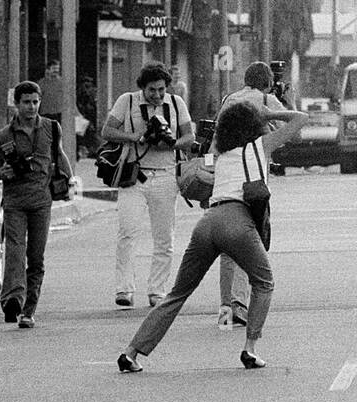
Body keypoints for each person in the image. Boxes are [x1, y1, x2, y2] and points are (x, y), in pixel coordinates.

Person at [117, 101, 310, 372]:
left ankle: (132, 352)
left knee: (178, 292)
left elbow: (205, 167)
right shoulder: (261, 146)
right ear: (255, 126)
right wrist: (270, 113)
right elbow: (301, 119)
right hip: (237, 221)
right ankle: (250, 348)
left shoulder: (220, 153)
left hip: (207, 223)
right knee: (264, 282)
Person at [102, 62, 195, 309]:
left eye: (161, 90)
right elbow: (107, 130)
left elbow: (190, 137)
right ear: (142, 87)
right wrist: (134, 136)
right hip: (135, 175)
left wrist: (172, 143)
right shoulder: (127, 101)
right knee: (127, 232)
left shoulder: (176, 104)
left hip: (166, 175)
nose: (156, 95)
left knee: (165, 237)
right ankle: (124, 289)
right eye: (151, 90)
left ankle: (157, 291)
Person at [0, 81, 72, 328]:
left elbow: (59, 156)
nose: (32, 107)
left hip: (41, 202)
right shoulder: (4, 135)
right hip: (15, 202)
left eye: (35, 102)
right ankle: (12, 300)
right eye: (26, 102)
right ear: (17, 104)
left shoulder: (50, 128)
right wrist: (3, 171)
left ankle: (29, 309)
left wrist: (68, 182)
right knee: (15, 251)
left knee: (36, 257)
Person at [213, 62, 285, 328]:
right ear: (268, 82)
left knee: (226, 249)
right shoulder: (266, 99)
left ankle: (225, 309)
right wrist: (281, 105)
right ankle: (240, 305)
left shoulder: (229, 99)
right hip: (252, 180)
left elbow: (215, 142)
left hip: (225, 177)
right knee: (248, 240)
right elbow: (293, 133)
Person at [38, 60, 63, 127]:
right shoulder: (42, 83)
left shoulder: (62, 82)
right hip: (46, 113)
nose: (56, 71)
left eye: (57, 68)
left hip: (59, 113)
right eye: (54, 68)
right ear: (48, 70)